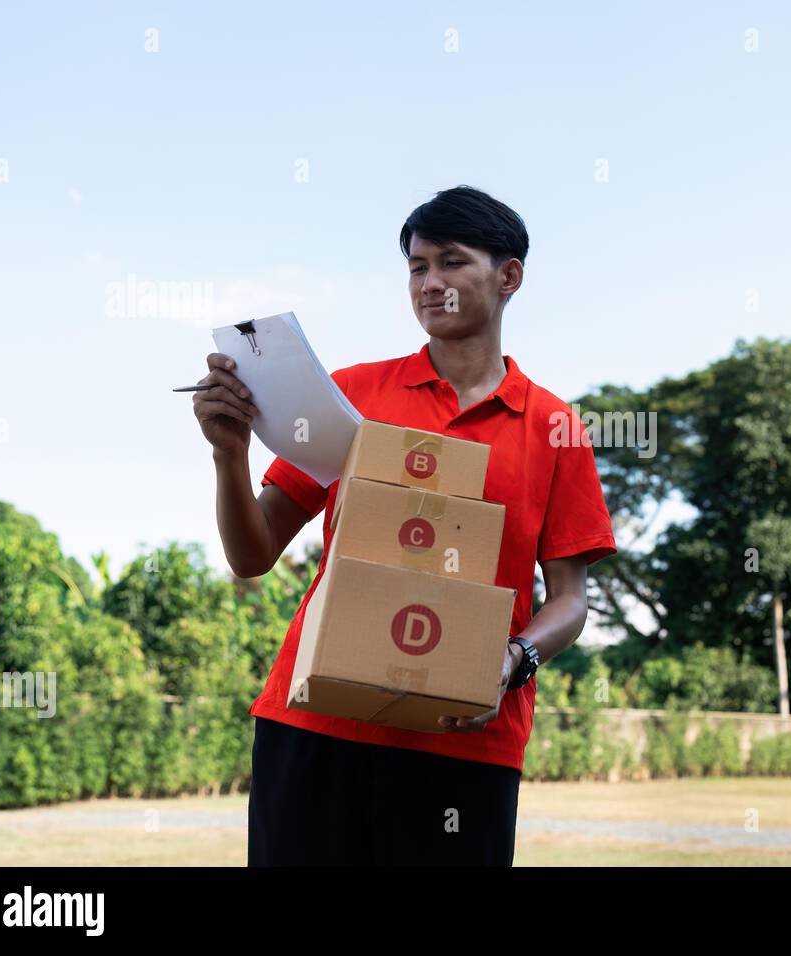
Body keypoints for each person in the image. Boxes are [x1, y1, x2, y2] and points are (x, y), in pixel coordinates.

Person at [190, 185, 618, 865]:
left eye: (453, 262)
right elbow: (254, 554)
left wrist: (513, 660)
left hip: (466, 742)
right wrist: (230, 456)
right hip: (315, 728)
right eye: (418, 267)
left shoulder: (555, 429)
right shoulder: (352, 396)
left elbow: (569, 599)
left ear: (508, 277)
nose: (431, 282)